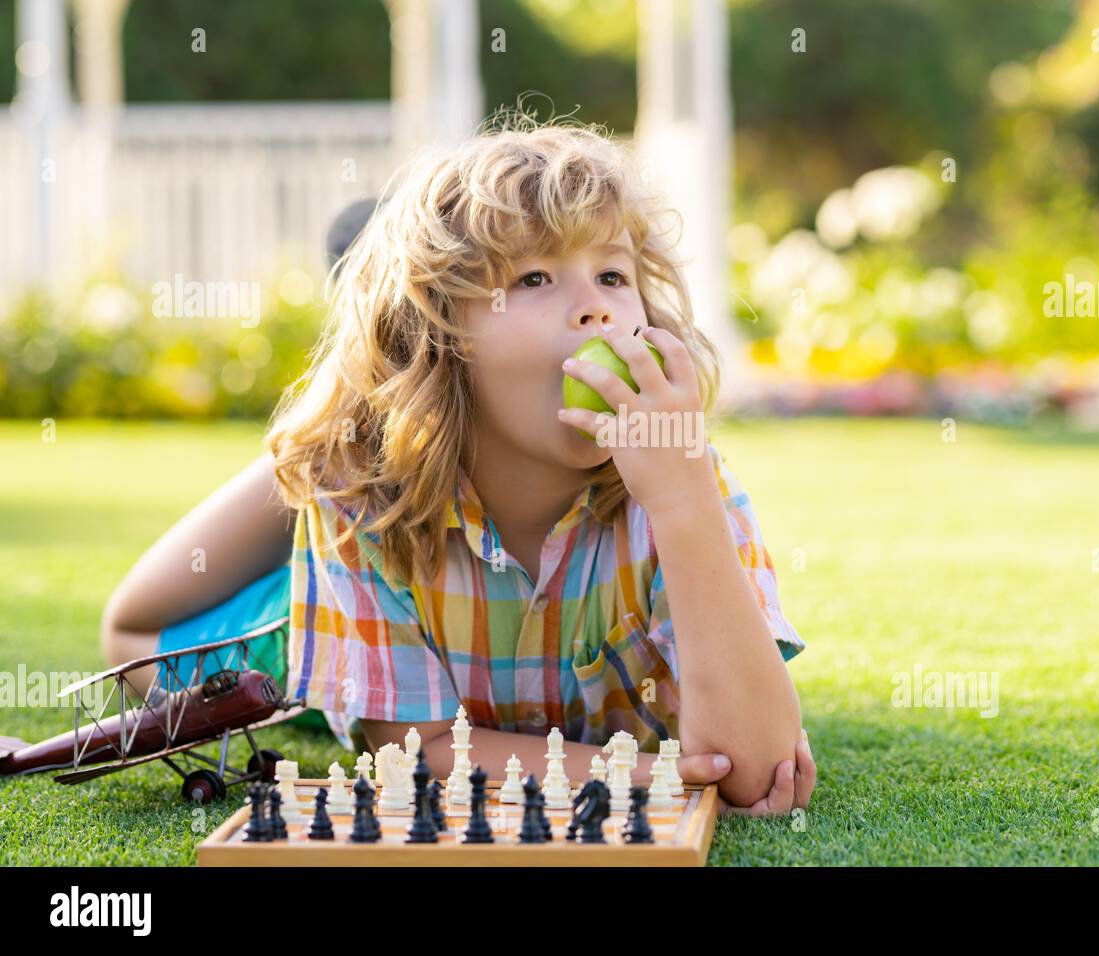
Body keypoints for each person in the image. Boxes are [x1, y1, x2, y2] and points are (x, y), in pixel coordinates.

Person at [101, 116, 815, 815]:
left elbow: (758, 774)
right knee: (141, 637)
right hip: (340, 610)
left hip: (438, 501)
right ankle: (353, 407)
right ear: (440, 340)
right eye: (534, 278)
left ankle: (367, 391)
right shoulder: (359, 504)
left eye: (611, 274)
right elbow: (411, 750)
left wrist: (684, 504)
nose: (594, 308)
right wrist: (646, 774)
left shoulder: (686, 479)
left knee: (360, 450)